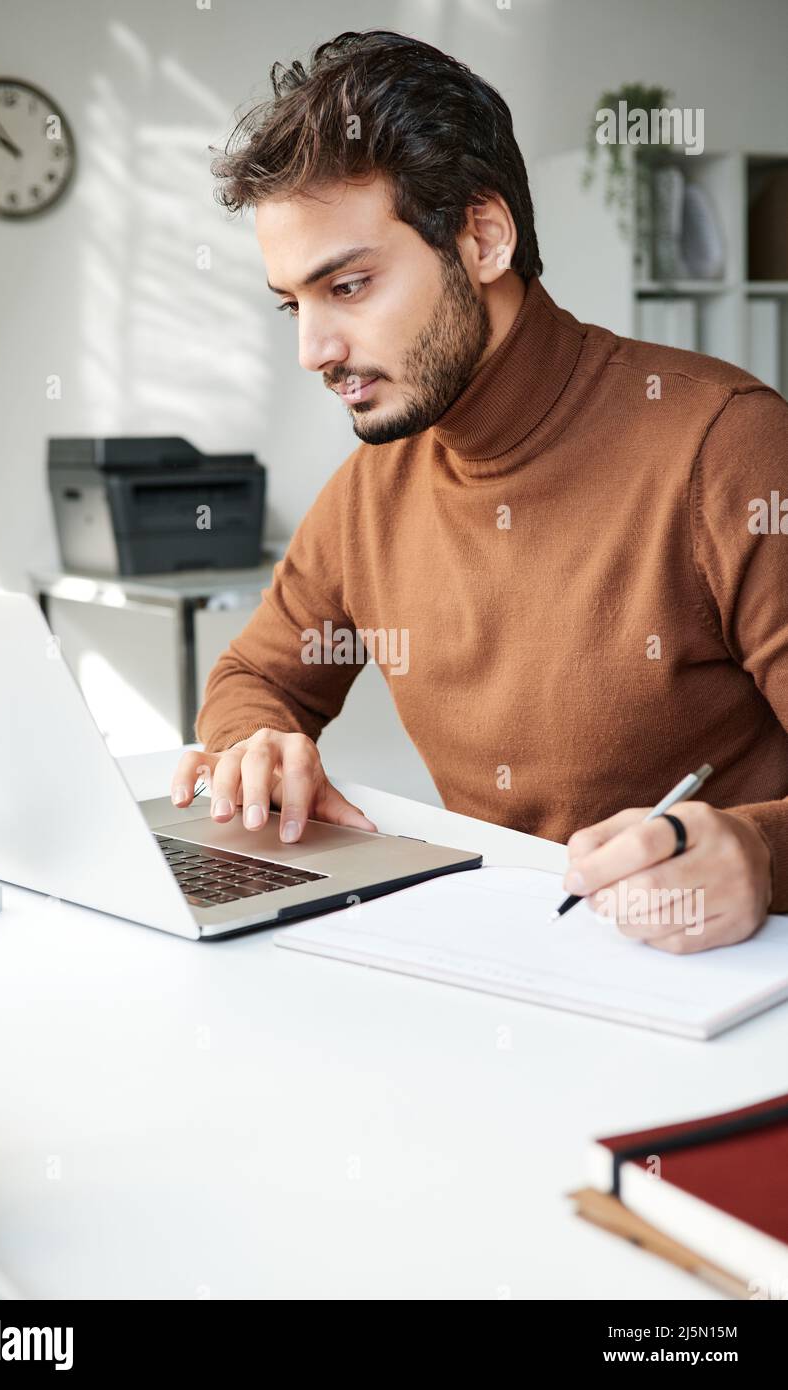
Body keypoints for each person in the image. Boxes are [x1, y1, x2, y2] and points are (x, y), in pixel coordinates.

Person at [170, 30, 788, 953]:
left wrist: (758, 854)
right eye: (296, 305)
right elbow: (254, 676)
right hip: (506, 967)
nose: (315, 350)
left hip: (719, 987)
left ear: (485, 237)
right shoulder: (370, 490)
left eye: (349, 285)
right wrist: (255, 744)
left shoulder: (727, 444)